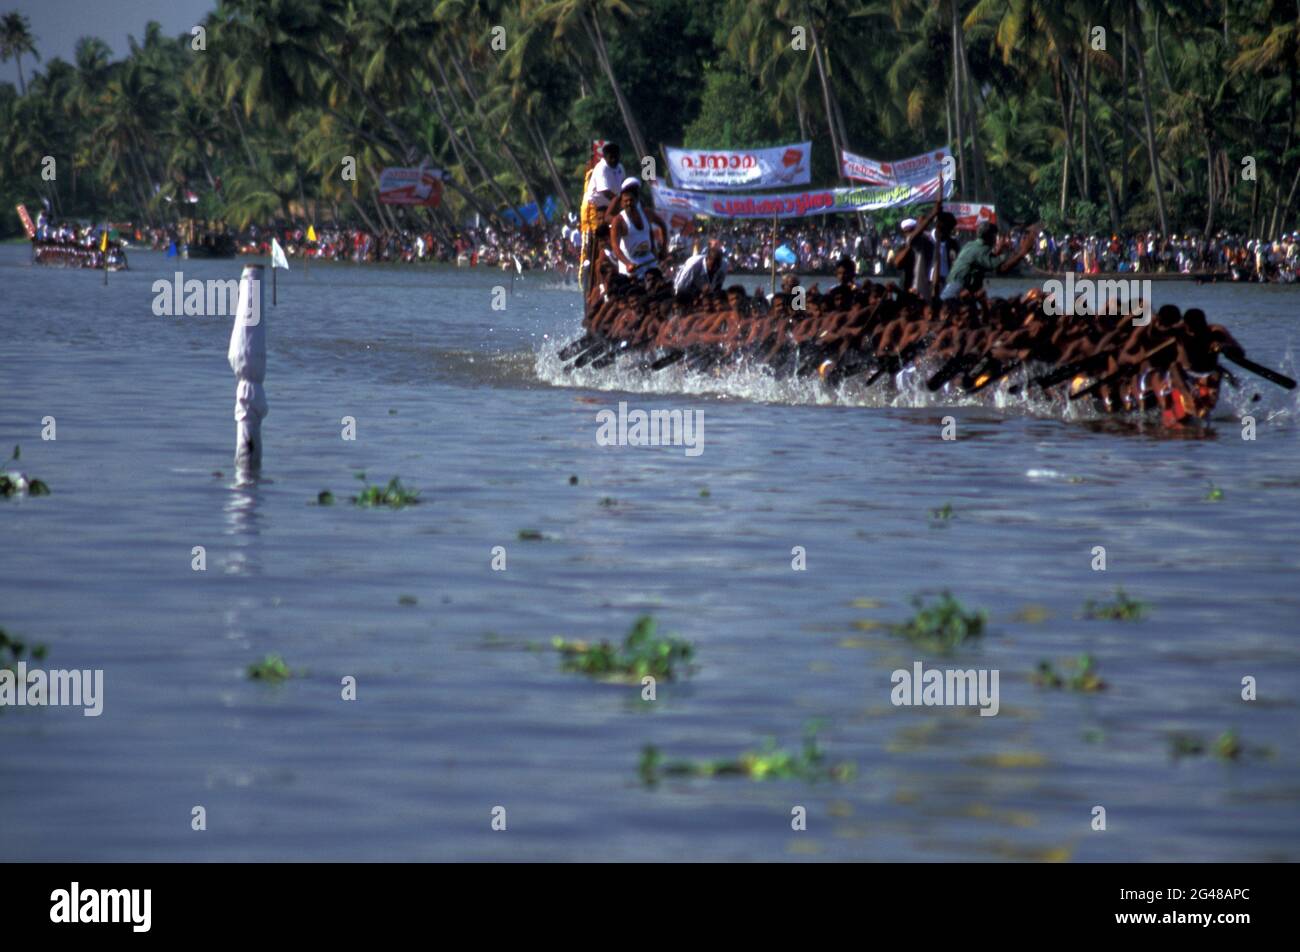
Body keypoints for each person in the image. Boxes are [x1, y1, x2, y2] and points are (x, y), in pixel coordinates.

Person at [940, 222, 1034, 300]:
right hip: (958, 286)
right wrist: (1023, 252)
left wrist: (1002, 249)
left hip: (958, 284)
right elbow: (1001, 269)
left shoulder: (971, 245)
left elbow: (987, 258)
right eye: (996, 236)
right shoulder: (981, 250)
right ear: (991, 237)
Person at [609, 178, 666, 279]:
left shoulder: (647, 213)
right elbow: (615, 246)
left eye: (631, 200)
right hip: (630, 263)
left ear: (636, 200)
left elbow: (662, 225)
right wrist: (627, 264)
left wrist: (663, 249)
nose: (628, 203)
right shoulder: (618, 221)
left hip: (648, 259)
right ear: (621, 202)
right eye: (625, 201)